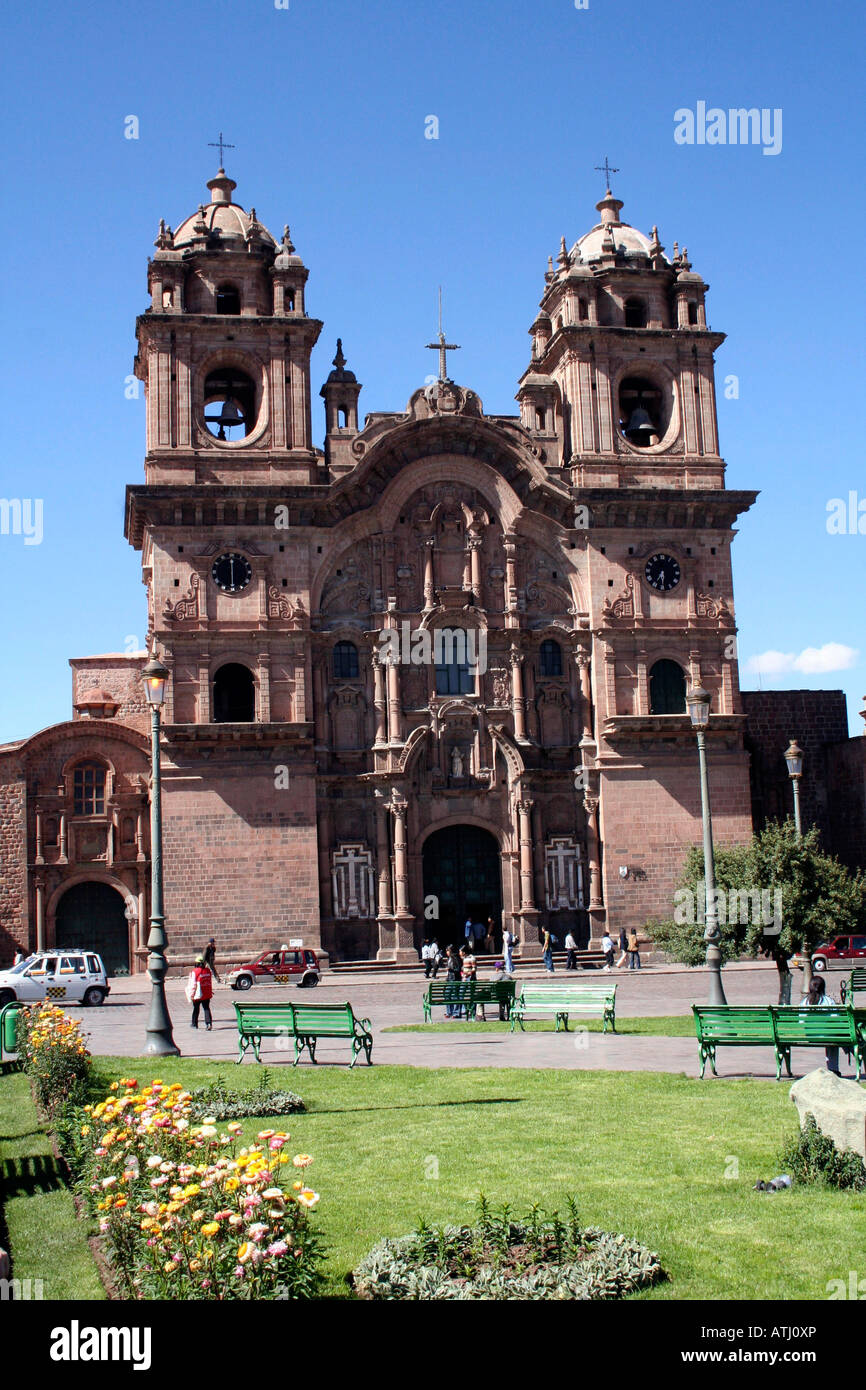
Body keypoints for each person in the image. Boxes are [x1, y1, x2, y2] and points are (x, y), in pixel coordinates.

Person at [803, 975, 842, 1075]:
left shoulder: (805, 1002)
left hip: (811, 1035)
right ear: (823, 988)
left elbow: (801, 1021)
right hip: (828, 1035)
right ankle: (833, 1069)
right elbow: (836, 1019)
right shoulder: (829, 1001)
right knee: (834, 1038)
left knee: (832, 1037)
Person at [187, 954, 213, 1030]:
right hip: (206, 993)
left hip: (198, 994)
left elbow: (193, 985)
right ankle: (208, 1023)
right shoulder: (208, 971)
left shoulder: (194, 972)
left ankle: (194, 1023)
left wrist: (191, 995)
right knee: (206, 1008)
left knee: (196, 1009)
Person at [461, 943, 479, 1019]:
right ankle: (464, 1009)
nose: (460, 953)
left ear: (464, 952)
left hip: (470, 978)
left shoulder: (472, 958)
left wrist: (468, 974)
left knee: (472, 994)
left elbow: (474, 969)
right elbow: (463, 968)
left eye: (460, 951)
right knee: (462, 993)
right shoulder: (464, 959)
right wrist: (462, 974)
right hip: (464, 978)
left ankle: (473, 1010)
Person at [444, 945, 462, 1017]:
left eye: (448, 950)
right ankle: (449, 1011)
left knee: (455, 995)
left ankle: (456, 1012)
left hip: (455, 979)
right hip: (450, 979)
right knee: (447, 995)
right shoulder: (449, 958)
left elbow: (458, 969)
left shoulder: (455, 958)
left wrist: (450, 969)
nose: (447, 952)